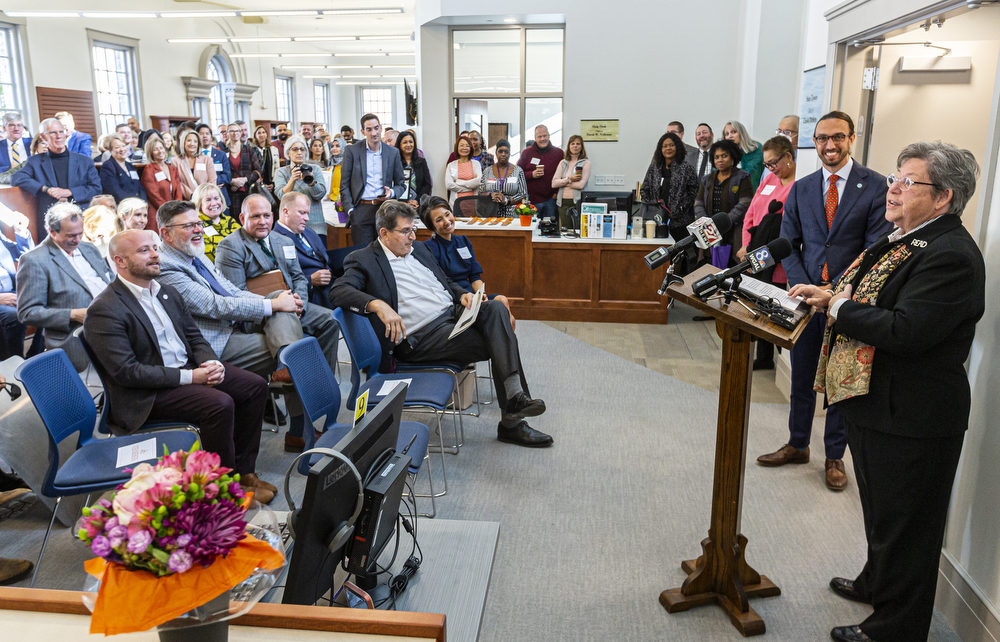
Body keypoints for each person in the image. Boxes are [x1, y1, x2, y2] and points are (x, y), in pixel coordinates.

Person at [788, 142, 984, 642]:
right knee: (881, 510)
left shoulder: (952, 255)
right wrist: (831, 295)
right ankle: (878, 582)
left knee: (908, 527)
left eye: (907, 181)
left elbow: (906, 330)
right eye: (895, 177)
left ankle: (895, 628)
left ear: (943, 197)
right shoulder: (907, 238)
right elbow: (866, 294)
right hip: (876, 402)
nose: (892, 188)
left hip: (914, 415)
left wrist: (838, 309)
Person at [330, 201, 551, 447]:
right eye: (406, 231)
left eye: (414, 229)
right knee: (501, 337)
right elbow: (338, 290)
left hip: (453, 314)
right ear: (384, 233)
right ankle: (513, 418)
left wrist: (461, 294)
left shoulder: (419, 250)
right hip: (421, 337)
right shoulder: (364, 259)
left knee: (497, 308)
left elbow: (444, 281)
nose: (412, 236)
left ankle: (514, 400)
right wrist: (378, 305)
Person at [83, 230, 273, 502]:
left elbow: (194, 336)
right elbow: (128, 372)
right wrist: (192, 377)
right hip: (146, 393)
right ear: (120, 261)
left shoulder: (166, 292)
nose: (154, 255)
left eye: (154, 248)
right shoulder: (105, 308)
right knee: (218, 404)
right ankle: (223, 489)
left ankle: (244, 473)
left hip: (186, 369)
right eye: (143, 251)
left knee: (253, 386)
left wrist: (210, 362)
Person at [757, 110, 892, 492]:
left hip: (847, 304)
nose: (829, 145)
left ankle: (835, 456)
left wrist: (836, 296)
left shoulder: (876, 185)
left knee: (838, 383)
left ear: (851, 139)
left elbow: (873, 250)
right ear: (813, 143)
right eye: (821, 139)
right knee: (801, 376)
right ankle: (798, 444)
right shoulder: (801, 187)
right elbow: (788, 245)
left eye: (837, 137)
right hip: (806, 301)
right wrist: (804, 288)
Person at [15, 203, 113, 370]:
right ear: (52, 232)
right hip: (76, 335)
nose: (77, 240)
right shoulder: (35, 260)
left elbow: (110, 280)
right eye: (71, 235)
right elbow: (27, 313)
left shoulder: (89, 248)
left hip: (113, 324)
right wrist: (73, 314)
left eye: (80, 233)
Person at [736, 136, 797, 370]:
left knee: (776, 303)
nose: (770, 168)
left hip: (779, 256)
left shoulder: (799, 184)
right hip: (754, 247)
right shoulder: (769, 179)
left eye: (774, 163)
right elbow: (751, 212)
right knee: (759, 301)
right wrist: (746, 245)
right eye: (767, 164)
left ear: (788, 157)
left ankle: (781, 361)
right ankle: (763, 356)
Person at [420, 196, 514, 324]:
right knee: (500, 316)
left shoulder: (463, 241)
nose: (447, 221)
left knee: (504, 303)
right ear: (432, 226)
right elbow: (441, 284)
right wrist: (468, 296)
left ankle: (505, 343)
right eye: (439, 220)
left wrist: (482, 295)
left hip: (473, 296)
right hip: (455, 299)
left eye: (447, 214)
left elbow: (474, 276)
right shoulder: (429, 248)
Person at [12, 118, 101, 222]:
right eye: (53, 133)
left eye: (61, 132)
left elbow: (96, 189)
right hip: (51, 218)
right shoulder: (34, 161)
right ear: (43, 136)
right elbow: (16, 178)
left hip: (80, 215)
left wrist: (68, 192)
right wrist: (46, 189)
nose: (59, 136)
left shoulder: (84, 161)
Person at [339, 113, 405, 247]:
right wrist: (351, 210)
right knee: (363, 255)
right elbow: (344, 184)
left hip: (384, 209)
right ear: (363, 132)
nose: (374, 133)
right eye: (369, 129)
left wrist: (391, 193)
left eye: (376, 128)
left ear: (381, 128)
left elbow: (401, 184)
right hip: (360, 210)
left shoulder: (393, 153)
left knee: (385, 253)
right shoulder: (352, 151)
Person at [640, 132, 699, 268]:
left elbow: (694, 191)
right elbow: (644, 189)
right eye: (665, 146)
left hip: (680, 221)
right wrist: (651, 205)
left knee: (683, 258)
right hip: (657, 221)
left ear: (677, 147)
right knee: (661, 258)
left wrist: (682, 208)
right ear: (660, 149)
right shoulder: (654, 167)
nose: (668, 148)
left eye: (671, 145)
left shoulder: (686, 168)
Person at [693, 139, 753, 268]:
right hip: (709, 232)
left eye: (724, 156)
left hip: (734, 231)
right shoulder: (707, 179)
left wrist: (723, 223)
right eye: (716, 157)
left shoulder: (743, 177)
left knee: (732, 268)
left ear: (732, 157)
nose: (720, 160)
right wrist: (706, 224)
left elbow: (745, 203)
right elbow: (698, 203)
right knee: (709, 267)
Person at [273, 192, 334, 308]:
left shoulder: (309, 232)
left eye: (307, 213)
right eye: (302, 213)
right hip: (309, 294)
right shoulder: (274, 240)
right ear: (286, 212)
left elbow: (326, 260)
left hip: (330, 285)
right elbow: (278, 281)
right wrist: (311, 280)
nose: (307, 218)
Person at [274, 135, 328, 246]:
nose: (299, 152)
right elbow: (281, 196)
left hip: (315, 226)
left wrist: (311, 182)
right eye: (295, 149)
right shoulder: (281, 172)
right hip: (290, 227)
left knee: (319, 260)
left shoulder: (315, 169)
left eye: (302, 149)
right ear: (288, 153)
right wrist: (292, 179)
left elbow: (320, 194)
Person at [0, 211, 35, 360]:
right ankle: (14, 362)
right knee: (14, 316)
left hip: (13, 288)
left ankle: (36, 355)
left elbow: (26, 256)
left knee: (52, 297)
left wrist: (21, 232)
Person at [516, 125, 563, 221]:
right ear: (535, 138)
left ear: (549, 136)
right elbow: (517, 174)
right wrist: (532, 174)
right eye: (539, 137)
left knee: (549, 231)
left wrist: (556, 193)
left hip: (551, 200)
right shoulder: (526, 153)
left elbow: (563, 175)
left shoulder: (559, 153)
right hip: (531, 201)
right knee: (532, 230)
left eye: (545, 136)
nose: (542, 139)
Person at [141, 137, 185, 228]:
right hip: (157, 213)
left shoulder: (173, 169)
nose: (160, 151)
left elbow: (178, 191)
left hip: (174, 212)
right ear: (151, 153)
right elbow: (153, 195)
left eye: (161, 148)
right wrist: (168, 209)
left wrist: (177, 207)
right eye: (155, 149)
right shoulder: (149, 169)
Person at [193, 182, 241, 264]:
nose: (214, 203)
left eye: (216, 198)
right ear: (199, 204)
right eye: (208, 200)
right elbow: (208, 255)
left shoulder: (230, 221)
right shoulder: (197, 226)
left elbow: (246, 245)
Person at [223, 123, 263, 217]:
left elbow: (258, 170)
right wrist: (232, 181)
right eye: (231, 131)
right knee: (233, 219)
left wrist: (244, 180)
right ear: (227, 133)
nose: (234, 133)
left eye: (237, 130)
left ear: (240, 133)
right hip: (230, 192)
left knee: (249, 216)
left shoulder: (249, 150)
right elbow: (220, 173)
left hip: (248, 190)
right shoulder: (223, 152)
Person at [480, 139, 527, 218]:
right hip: (491, 214)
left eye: (506, 152)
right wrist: (490, 193)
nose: (503, 154)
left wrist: (507, 200)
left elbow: (523, 195)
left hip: (512, 215)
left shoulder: (518, 171)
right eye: (500, 151)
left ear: (510, 153)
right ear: (496, 153)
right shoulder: (487, 171)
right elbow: (480, 193)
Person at [552, 134, 591, 229]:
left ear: (581, 147)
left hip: (577, 202)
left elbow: (581, 185)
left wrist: (564, 182)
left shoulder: (586, 163)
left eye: (578, 144)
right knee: (565, 231)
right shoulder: (563, 162)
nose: (575, 146)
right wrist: (570, 179)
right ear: (569, 146)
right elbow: (554, 183)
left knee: (577, 230)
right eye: (572, 143)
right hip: (562, 202)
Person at [99, 134, 147, 203]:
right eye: (117, 147)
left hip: (138, 205)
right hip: (123, 206)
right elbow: (114, 191)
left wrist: (143, 203)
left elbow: (140, 187)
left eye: (123, 146)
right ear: (110, 151)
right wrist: (132, 204)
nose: (122, 149)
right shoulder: (108, 166)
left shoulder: (129, 165)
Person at [171, 129, 217, 199]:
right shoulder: (175, 161)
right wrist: (192, 196)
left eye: (195, 141)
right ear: (183, 142)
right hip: (186, 201)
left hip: (205, 199)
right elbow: (177, 182)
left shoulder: (207, 160)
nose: (192, 144)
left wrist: (204, 196)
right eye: (189, 140)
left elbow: (212, 180)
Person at [197, 123, 233, 210]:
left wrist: (212, 182)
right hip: (200, 198)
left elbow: (227, 176)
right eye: (201, 134)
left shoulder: (221, 154)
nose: (204, 136)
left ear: (211, 136)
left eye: (207, 133)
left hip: (220, 197)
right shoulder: (195, 156)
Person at [395, 130, 431, 209]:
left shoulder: (421, 162)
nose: (408, 145)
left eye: (411, 142)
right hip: (400, 205)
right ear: (399, 144)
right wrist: (405, 202)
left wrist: (416, 200)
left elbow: (427, 184)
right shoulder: (395, 163)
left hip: (418, 205)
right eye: (405, 142)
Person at [723, 120, 764, 190]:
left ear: (741, 133)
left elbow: (764, 176)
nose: (730, 136)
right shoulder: (722, 155)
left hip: (752, 195)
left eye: (734, 132)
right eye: (727, 134)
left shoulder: (756, 150)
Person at [445, 135, 482, 205]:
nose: (464, 148)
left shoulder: (476, 164)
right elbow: (449, 185)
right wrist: (470, 188)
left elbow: (478, 181)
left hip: (473, 203)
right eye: (461, 145)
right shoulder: (451, 165)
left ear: (471, 148)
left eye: (467, 146)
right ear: (457, 147)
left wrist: (458, 182)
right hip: (456, 204)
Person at [251, 125, 279, 193]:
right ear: (255, 135)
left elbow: (277, 167)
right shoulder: (252, 150)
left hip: (271, 182)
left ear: (266, 134)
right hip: (258, 182)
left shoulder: (274, 149)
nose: (262, 135)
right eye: (259, 133)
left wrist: (274, 183)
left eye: (263, 132)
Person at [327, 136, 345, 207]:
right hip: (329, 200)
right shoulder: (331, 164)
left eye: (337, 146)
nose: (334, 148)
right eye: (332, 146)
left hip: (341, 200)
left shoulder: (346, 164)